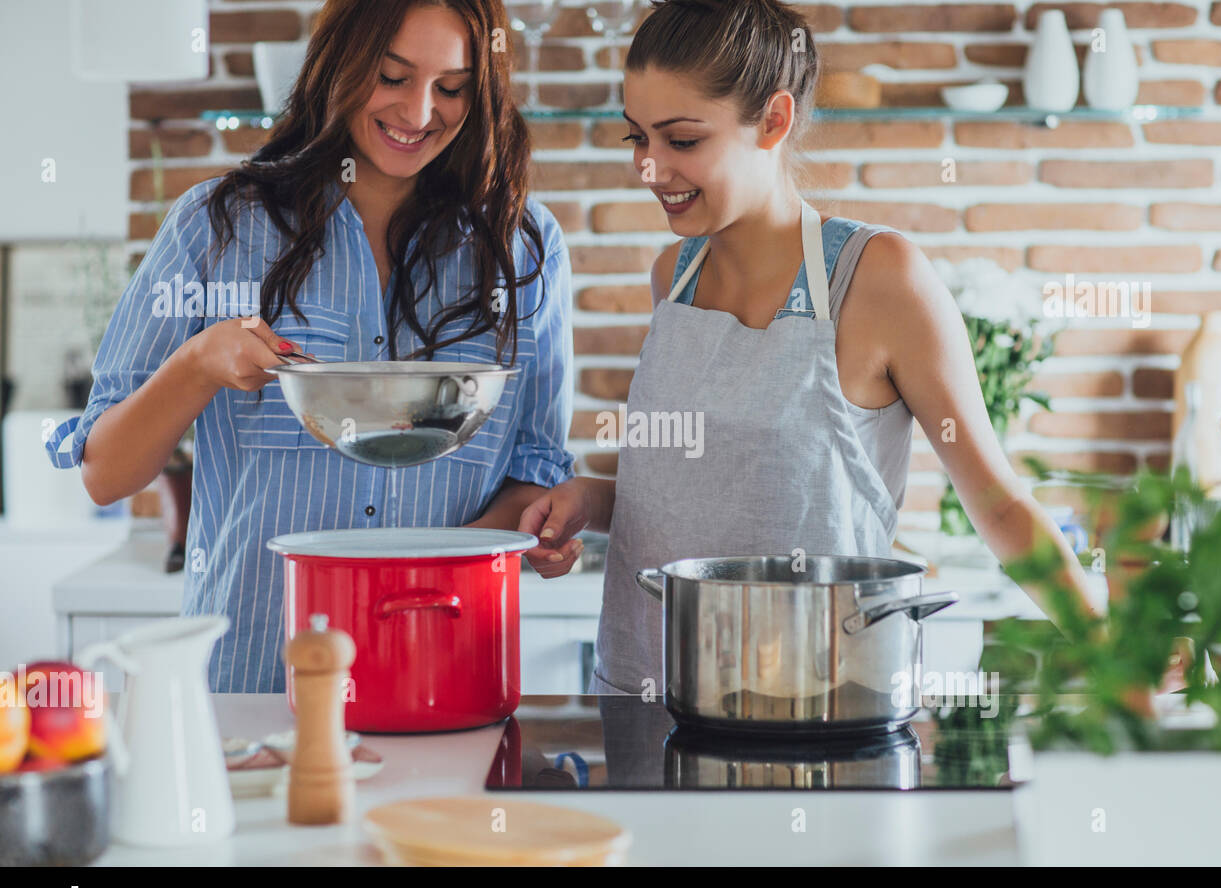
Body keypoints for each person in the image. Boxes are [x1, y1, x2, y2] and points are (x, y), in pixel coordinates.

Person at [517, 0, 1104, 695]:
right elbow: (703, 488)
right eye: (636, 139)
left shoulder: (878, 277)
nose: (650, 168)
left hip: (819, 704)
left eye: (680, 140)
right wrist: (593, 498)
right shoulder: (673, 277)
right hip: (652, 687)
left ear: (774, 119)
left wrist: (1108, 643)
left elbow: (999, 505)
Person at [45, 0, 583, 692]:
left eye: (451, 87)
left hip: (441, 669)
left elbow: (534, 470)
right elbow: (105, 473)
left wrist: (422, 574)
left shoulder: (523, 247)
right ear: (340, 64)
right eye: (392, 77)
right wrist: (199, 364)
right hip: (253, 678)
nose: (419, 113)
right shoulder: (216, 228)